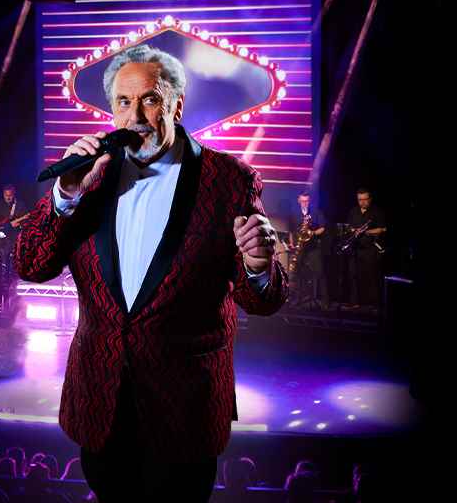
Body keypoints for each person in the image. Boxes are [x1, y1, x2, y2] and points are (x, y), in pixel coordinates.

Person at [16, 43, 286, 501]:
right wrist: (65, 193)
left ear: (177, 106)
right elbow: (31, 264)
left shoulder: (230, 180)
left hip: (186, 412)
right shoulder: (89, 177)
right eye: (123, 102)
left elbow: (262, 301)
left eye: (150, 99)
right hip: (101, 405)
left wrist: (259, 267)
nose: (136, 115)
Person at [341, 188, 387, 310]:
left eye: (365, 199)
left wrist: (366, 232)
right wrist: (353, 230)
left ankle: (375, 305)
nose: (362, 202)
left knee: (372, 276)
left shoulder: (377, 212)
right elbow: (349, 226)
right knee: (353, 276)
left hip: (370, 249)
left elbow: (382, 229)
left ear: (370, 199)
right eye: (360, 200)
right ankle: (354, 302)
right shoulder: (353, 211)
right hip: (355, 248)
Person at [288, 191, 328, 309]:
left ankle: (325, 301)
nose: (305, 203)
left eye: (307, 201)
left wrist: (312, 233)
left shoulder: (316, 212)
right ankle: (297, 299)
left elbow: (323, 228)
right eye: (303, 201)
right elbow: (291, 231)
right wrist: (291, 243)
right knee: (297, 274)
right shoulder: (294, 214)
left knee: (320, 273)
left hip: (313, 248)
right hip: (299, 247)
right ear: (298, 200)